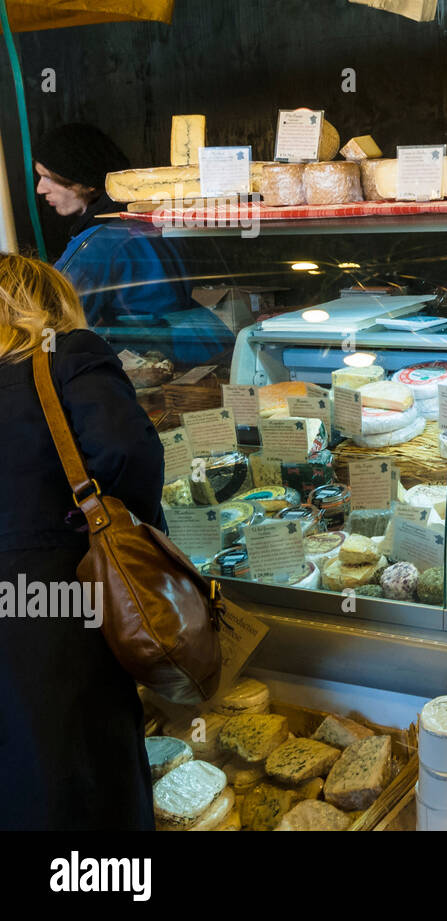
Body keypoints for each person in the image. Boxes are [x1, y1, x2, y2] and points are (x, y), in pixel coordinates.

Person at [0, 254, 159, 830]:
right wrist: (139, 540)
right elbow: (128, 452)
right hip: (54, 602)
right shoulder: (67, 352)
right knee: (82, 765)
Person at [34, 123, 232, 364]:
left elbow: (55, 315)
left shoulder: (98, 243)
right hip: (206, 340)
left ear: (83, 178)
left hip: (159, 354)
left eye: (48, 177)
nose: (40, 188)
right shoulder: (146, 219)